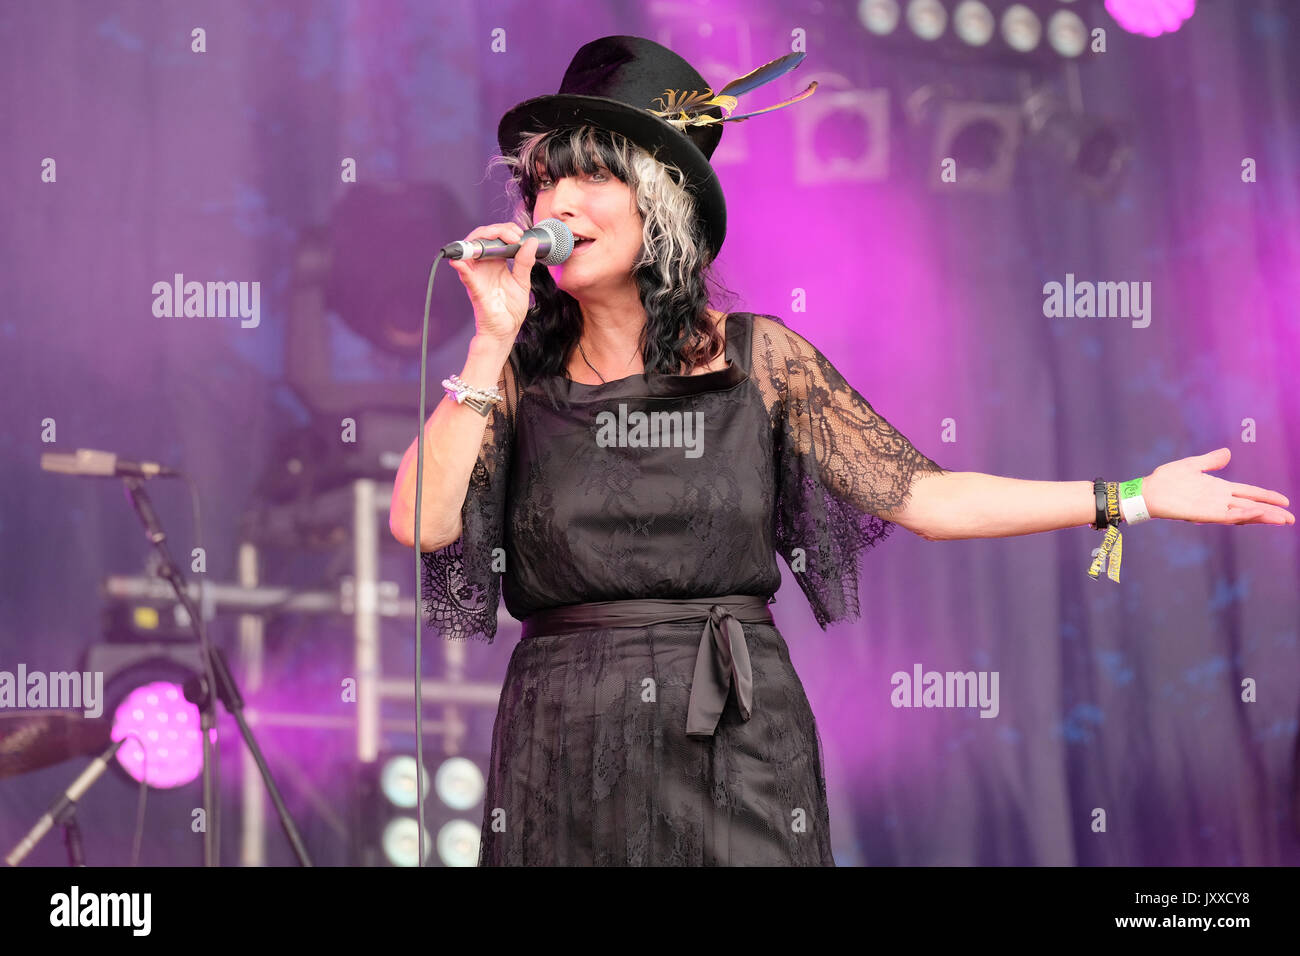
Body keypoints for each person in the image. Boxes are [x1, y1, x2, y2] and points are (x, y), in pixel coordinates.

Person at [389, 36, 1294, 866]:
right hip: (564, 742)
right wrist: (488, 342)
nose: (557, 206)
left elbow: (929, 500)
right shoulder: (512, 376)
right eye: (545, 184)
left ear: (659, 204)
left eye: (591, 180)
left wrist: (1129, 495)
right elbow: (422, 523)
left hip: (730, 736)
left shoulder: (760, 361)